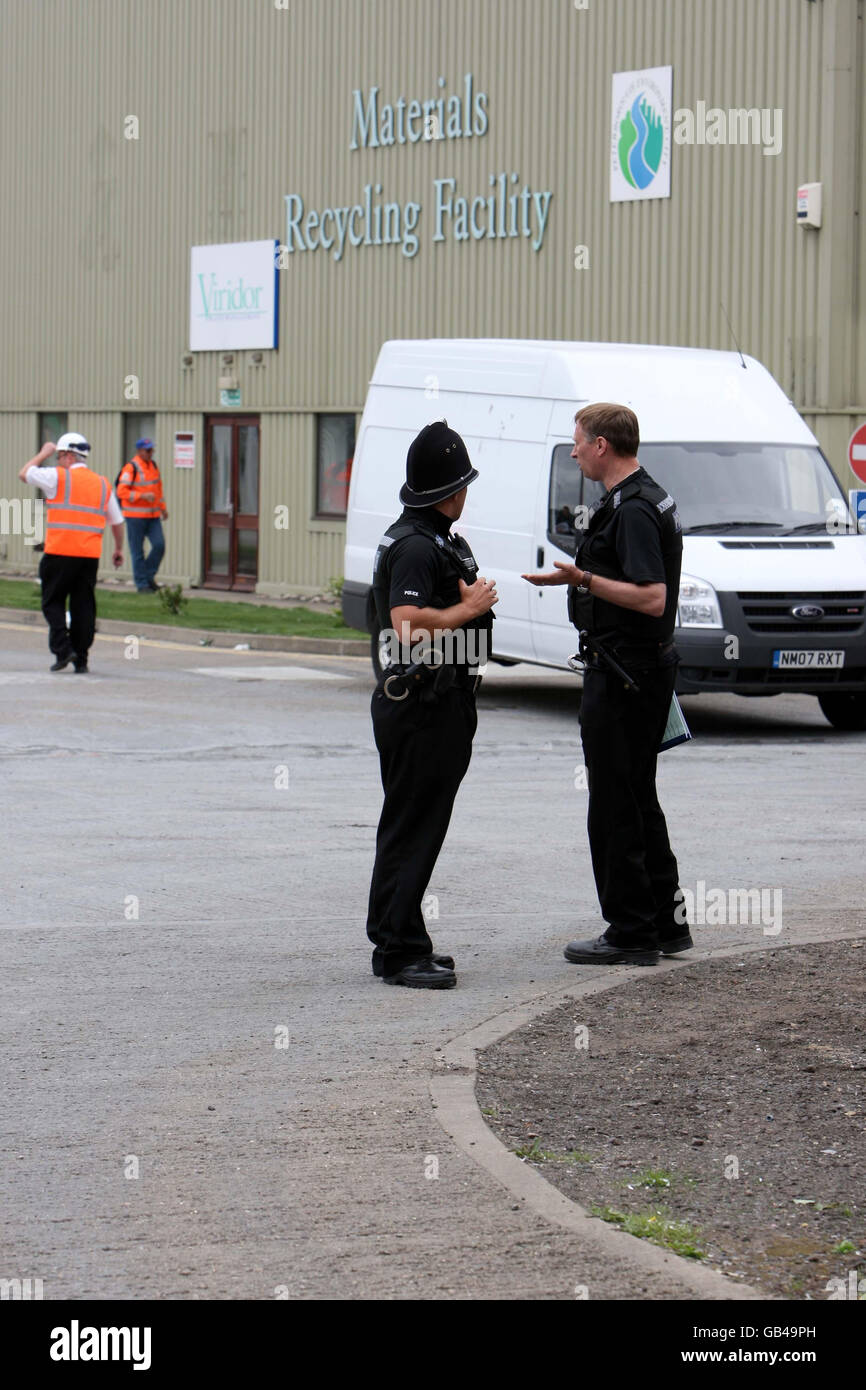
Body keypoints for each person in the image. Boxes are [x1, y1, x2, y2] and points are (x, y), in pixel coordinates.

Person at [523, 403, 692, 966]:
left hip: (625, 675)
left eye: (578, 442)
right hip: (636, 670)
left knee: (615, 802)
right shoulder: (636, 498)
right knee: (639, 796)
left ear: (601, 446)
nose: (572, 452)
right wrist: (571, 580)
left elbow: (652, 596)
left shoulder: (637, 509)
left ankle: (631, 931)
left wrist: (585, 579)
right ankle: (666, 925)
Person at [367, 421, 498, 988]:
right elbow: (407, 626)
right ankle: (397, 951)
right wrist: (468, 611)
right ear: (450, 490)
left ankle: (403, 936)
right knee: (413, 825)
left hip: (438, 699)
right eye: (464, 482)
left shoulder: (433, 537)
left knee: (415, 823)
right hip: (422, 700)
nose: (467, 492)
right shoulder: (419, 545)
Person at [19, 434, 124, 672]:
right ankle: (82, 659)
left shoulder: (58, 476)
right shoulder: (102, 484)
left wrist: (43, 453)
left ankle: (63, 649)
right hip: (88, 556)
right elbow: (117, 522)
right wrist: (118, 548)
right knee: (83, 607)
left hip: (59, 552)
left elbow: (24, 473)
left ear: (67, 455)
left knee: (51, 602)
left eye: (58, 457)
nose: (57, 461)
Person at [116, 437, 168, 591]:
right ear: (139, 451)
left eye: (152, 449)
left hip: (153, 517)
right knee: (137, 551)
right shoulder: (130, 468)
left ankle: (148, 576)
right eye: (148, 450)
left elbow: (158, 490)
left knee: (159, 545)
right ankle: (142, 584)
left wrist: (163, 508)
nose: (151, 453)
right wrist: (142, 496)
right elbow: (121, 491)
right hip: (135, 517)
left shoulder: (153, 466)